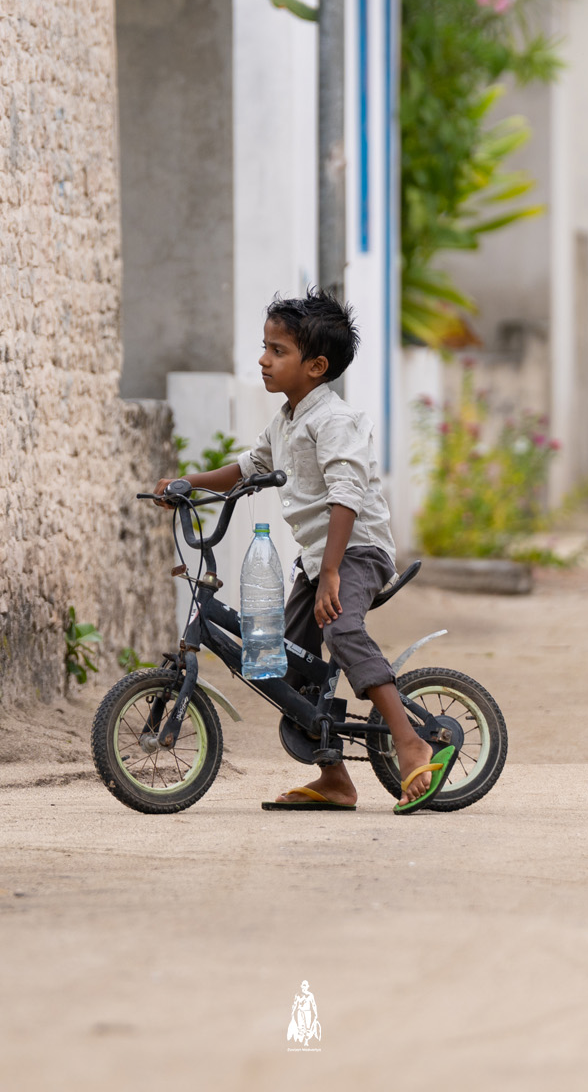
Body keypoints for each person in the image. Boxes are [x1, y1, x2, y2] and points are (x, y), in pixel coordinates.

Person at [154, 290, 457, 813]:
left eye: (277, 351)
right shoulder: (286, 421)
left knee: (341, 630)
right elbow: (247, 468)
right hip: (320, 561)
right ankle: (335, 779)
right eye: (264, 347)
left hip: (357, 552)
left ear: (315, 366)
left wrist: (333, 572)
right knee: (284, 668)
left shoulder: (334, 421)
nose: (263, 359)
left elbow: (347, 495)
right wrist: (189, 483)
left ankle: (410, 742)